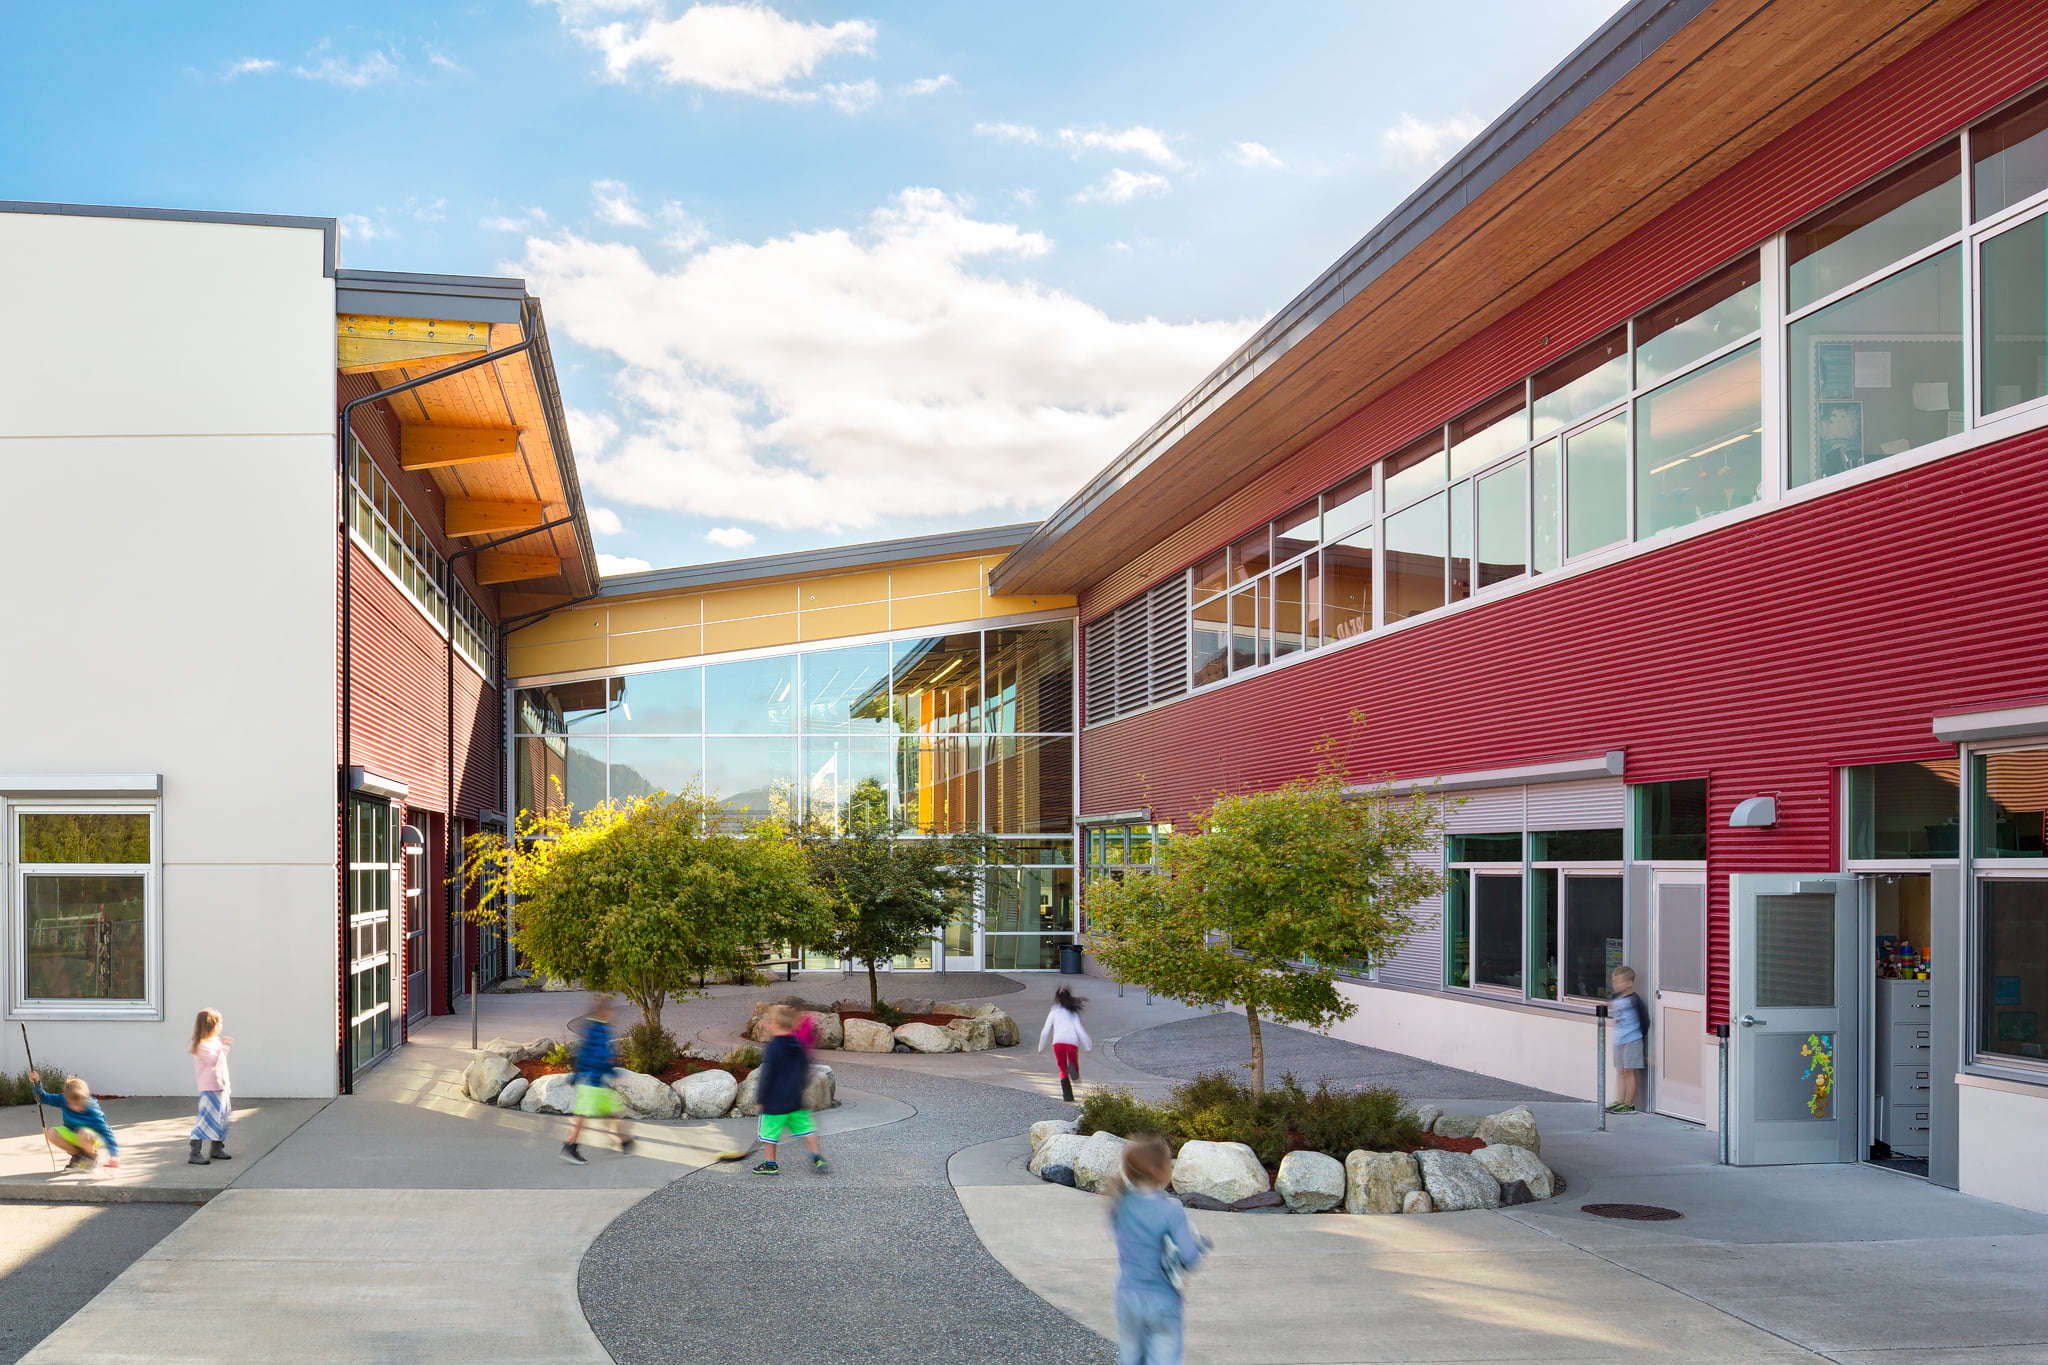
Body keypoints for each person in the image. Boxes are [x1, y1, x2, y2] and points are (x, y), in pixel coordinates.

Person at [1106, 1134, 1206, 1365]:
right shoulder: (1172, 1212)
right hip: (1162, 1300)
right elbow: (1190, 1258)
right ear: (1159, 1172)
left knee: (1130, 1356)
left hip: (1126, 1296)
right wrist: (1197, 1247)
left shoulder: (1121, 1206)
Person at [751, 1004, 826, 1175]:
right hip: (794, 1099)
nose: (768, 1025)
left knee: (769, 1133)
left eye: (770, 1022)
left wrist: (761, 1099)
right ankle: (817, 1157)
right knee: (806, 1128)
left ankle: (770, 1164)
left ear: (776, 1024)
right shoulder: (798, 1044)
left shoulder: (772, 1047)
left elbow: (767, 1075)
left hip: (774, 1102)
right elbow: (805, 1066)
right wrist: (803, 1086)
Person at [561, 996, 634, 1164]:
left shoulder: (595, 1029)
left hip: (595, 1082)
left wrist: (576, 1075)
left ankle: (625, 1142)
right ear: (602, 1011)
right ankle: (570, 1147)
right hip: (591, 1082)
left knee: (610, 1112)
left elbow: (583, 1054)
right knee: (582, 1115)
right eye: (610, 1010)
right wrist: (611, 1068)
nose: (612, 1014)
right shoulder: (599, 1031)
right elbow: (599, 1056)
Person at [28, 1071, 120, 1173]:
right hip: (72, 1132)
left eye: (79, 1103)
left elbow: (107, 1133)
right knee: (51, 1133)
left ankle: (91, 1156)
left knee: (83, 1132)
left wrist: (114, 1155)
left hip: (91, 1137)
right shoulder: (63, 1099)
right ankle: (78, 1157)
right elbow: (43, 1097)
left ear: (85, 1098)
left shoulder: (93, 1111)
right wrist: (36, 1082)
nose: (76, 1107)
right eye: (72, 1103)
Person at [188, 1008, 234, 1165]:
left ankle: (216, 1148)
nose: (221, 1026)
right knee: (206, 1119)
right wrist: (222, 1047)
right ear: (211, 1025)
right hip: (209, 1088)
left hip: (221, 1087)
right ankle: (195, 1152)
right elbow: (212, 1061)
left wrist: (227, 1086)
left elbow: (221, 1062)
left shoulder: (215, 1043)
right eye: (219, 1023)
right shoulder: (200, 1045)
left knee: (222, 1119)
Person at [1038, 985, 1094, 1103]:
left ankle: (1067, 1096)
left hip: (1058, 1042)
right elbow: (1079, 1029)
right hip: (1072, 1042)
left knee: (1062, 1069)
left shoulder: (1054, 1011)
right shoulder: (1073, 1011)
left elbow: (1046, 1030)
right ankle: (1075, 1072)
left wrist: (1041, 1047)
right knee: (1073, 1061)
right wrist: (1088, 1045)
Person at [1608, 965, 1649, 1114]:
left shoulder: (1634, 1000)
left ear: (1629, 983)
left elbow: (1645, 1020)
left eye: (1619, 982)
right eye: (1614, 982)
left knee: (1628, 1070)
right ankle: (1619, 1100)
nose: (1616, 985)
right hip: (1618, 1040)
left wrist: (1638, 1035)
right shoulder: (1615, 998)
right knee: (1620, 1070)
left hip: (1632, 1039)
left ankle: (1628, 1103)